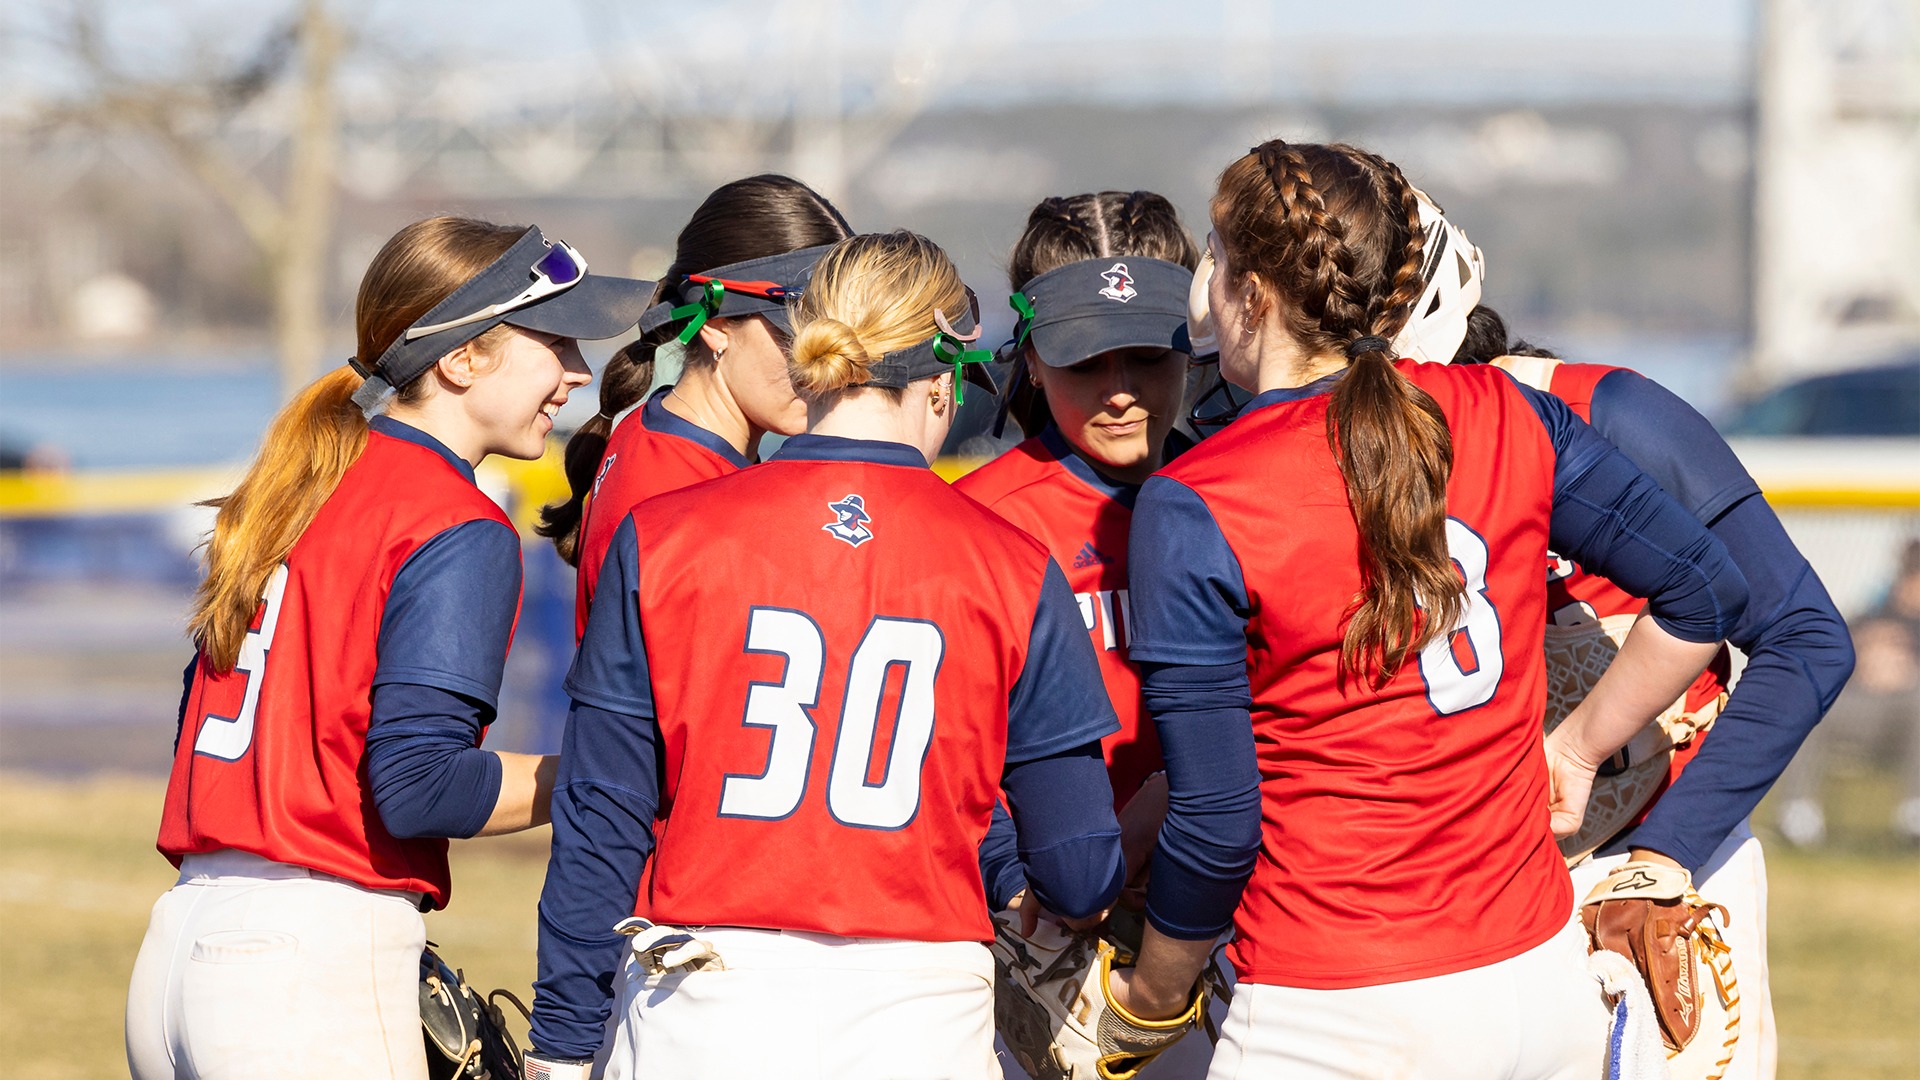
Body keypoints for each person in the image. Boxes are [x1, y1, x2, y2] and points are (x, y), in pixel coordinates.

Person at [1110, 141, 1751, 1078]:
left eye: (1216, 253)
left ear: (1254, 293)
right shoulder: (1506, 410)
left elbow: (1216, 820)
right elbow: (1704, 591)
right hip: (1539, 984)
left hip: (1340, 998)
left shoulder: (1202, 495)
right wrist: (1574, 750)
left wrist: (1149, 999)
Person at [525, 231, 1128, 1080]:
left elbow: (602, 818)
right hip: (918, 1018)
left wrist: (559, 1044)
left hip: (701, 1006)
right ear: (942, 381)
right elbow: (1079, 866)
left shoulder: (664, 534)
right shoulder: (1014, 563)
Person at [126, 217, 652, 1079]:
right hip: (309, 962)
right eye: (554, 341)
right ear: (462, 358)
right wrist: (605, 773)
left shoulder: (301, 482)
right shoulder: (453, 518)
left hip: (182, 948)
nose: (577, 373)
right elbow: (418, 786)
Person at [1452, 306, 1856, 1079]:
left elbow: (1804, 636)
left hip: (1641, 839)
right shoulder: (1322, 442)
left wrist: (1665, 853)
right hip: (1457, 872)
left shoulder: (1603, 412)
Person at [537, 173, 854, 637]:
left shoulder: (660, 438)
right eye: (798, 332)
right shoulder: (676, 491)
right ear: (716, 325)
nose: (826, 362)